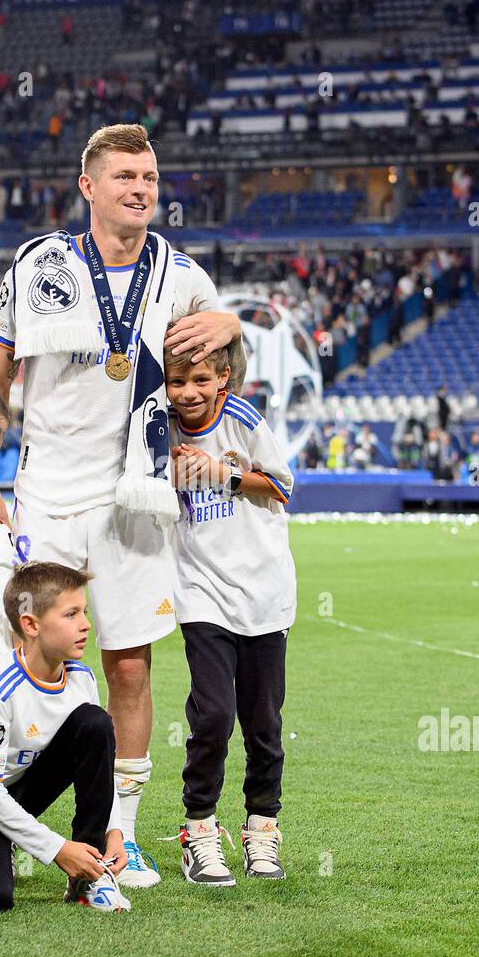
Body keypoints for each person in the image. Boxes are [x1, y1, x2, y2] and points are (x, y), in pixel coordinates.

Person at [0, 123, 243, 889]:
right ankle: (10, 819)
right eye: (124, 176)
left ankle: (119, 835)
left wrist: (234, 322)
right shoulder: (38, 265)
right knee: (33, 661)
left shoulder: (183, 277)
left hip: (135, 500)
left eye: (150, 177)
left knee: (127, 664)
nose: (141, 188)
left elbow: (223, 375)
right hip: (47, 493)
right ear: (89, 186)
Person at [164, 341, 295, 885]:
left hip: (265, 594)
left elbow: (284, 487)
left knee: (263, 724)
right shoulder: (159, 427)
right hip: (201, 592)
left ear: (223, 379)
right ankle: (199, 831)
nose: (188, 393)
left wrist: (223, 475)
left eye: (200, 380)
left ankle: (262, 829)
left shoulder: (243, 420)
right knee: (213, 715)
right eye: (177, 382)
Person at [0, 562, 130, 912]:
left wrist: (115, 831)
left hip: (23, 791)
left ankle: (89, 879)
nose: (85, 624)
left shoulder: (82, 679)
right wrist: (57, 849)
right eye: (70, 614)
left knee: (96, 724)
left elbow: (99, 766)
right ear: (30, 624)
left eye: (84, 612)